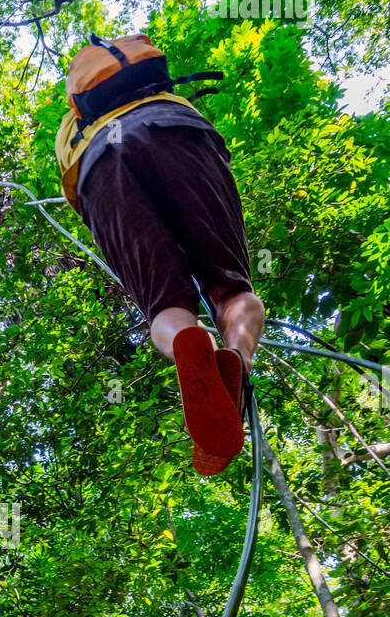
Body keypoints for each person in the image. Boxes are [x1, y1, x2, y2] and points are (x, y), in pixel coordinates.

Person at [55, 32, 264, 475]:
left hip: (101, 167)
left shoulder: (72, 127)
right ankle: (237, 360)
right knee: (233, 290)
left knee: (165, 307)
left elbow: (78, 195)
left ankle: (190, 342)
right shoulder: (164, 93)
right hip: (181, 134)